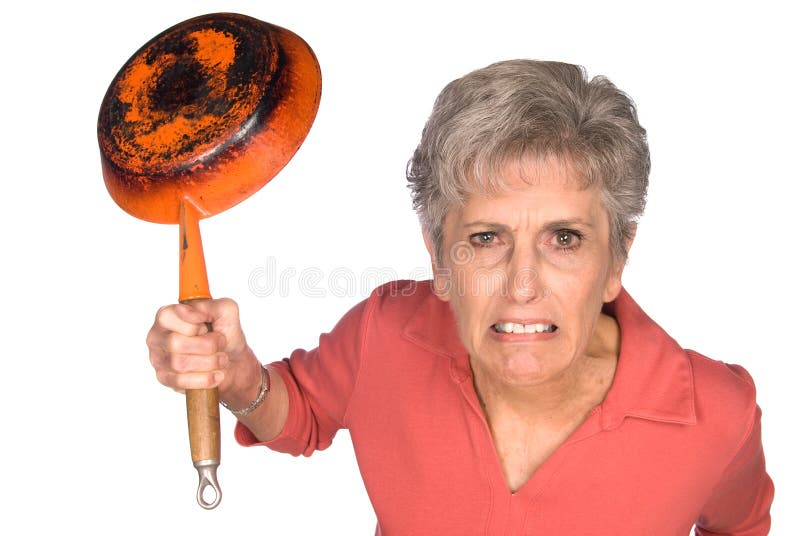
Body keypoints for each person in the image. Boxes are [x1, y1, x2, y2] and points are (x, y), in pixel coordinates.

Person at [147, 59, 774, 534]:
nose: (522, 284)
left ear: (618, 256)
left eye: (564, 237)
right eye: (486, 237)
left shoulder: (719, 414)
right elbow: (302, 413)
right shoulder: (385, 331)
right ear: (439, 258)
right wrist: (233, 376)